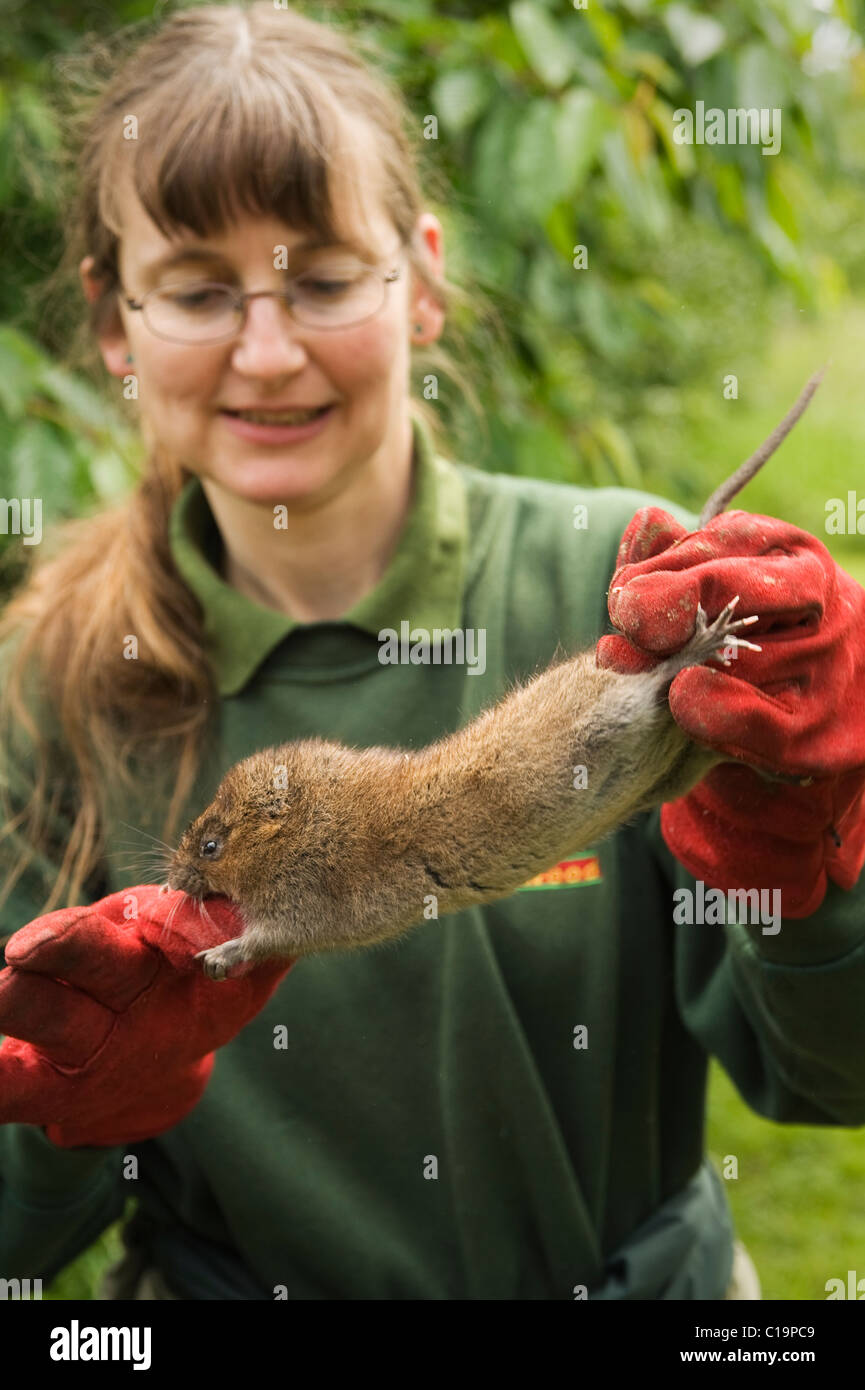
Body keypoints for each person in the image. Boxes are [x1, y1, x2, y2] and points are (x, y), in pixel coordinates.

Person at [1, 2, 864, 1302]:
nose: (269, 349)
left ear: (424, 282)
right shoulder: (47, 690)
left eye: (325, 278)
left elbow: (829, 1077)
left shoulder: (626, 578)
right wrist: (60, 1117)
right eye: (194, 288)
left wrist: (819, 852)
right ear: (113, 324)